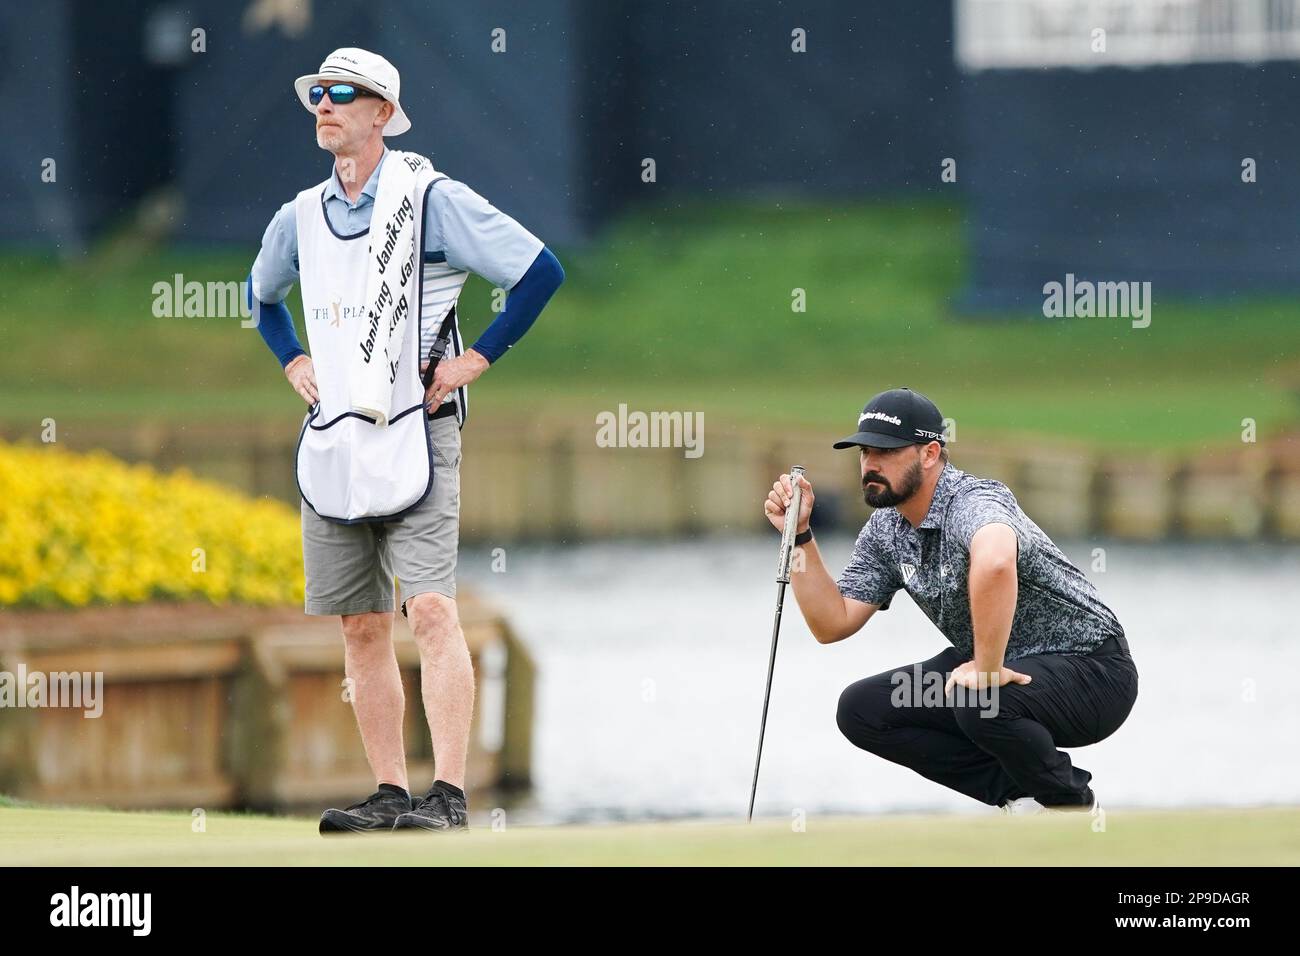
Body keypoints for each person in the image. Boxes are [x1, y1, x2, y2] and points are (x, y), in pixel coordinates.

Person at [247, 48, 564, 834]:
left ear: (383, 113)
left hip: (421, 431)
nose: (324, 105)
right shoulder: (297, 215)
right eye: (317, 94)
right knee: (359, 622)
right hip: (335, 441)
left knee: (428, 609)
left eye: (342, 95)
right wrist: (291, 359)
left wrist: (477, 359)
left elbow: (539, 271)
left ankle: (448, 797)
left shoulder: (431, 199)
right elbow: (263, 298)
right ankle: (390, 792)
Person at [763, 387, 1138, 815]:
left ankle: (1068, 804)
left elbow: (996, 561)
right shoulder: (886, 529)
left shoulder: (973, 500)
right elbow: (832, 622)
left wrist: (987, 667)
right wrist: (798, 537)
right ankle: (1020, 798)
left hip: (1095, 673)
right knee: (864, 709)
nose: (870, 465)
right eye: (865, 452)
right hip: (1002, 673)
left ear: (929, 454)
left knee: (976, 695)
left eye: (886, 452)